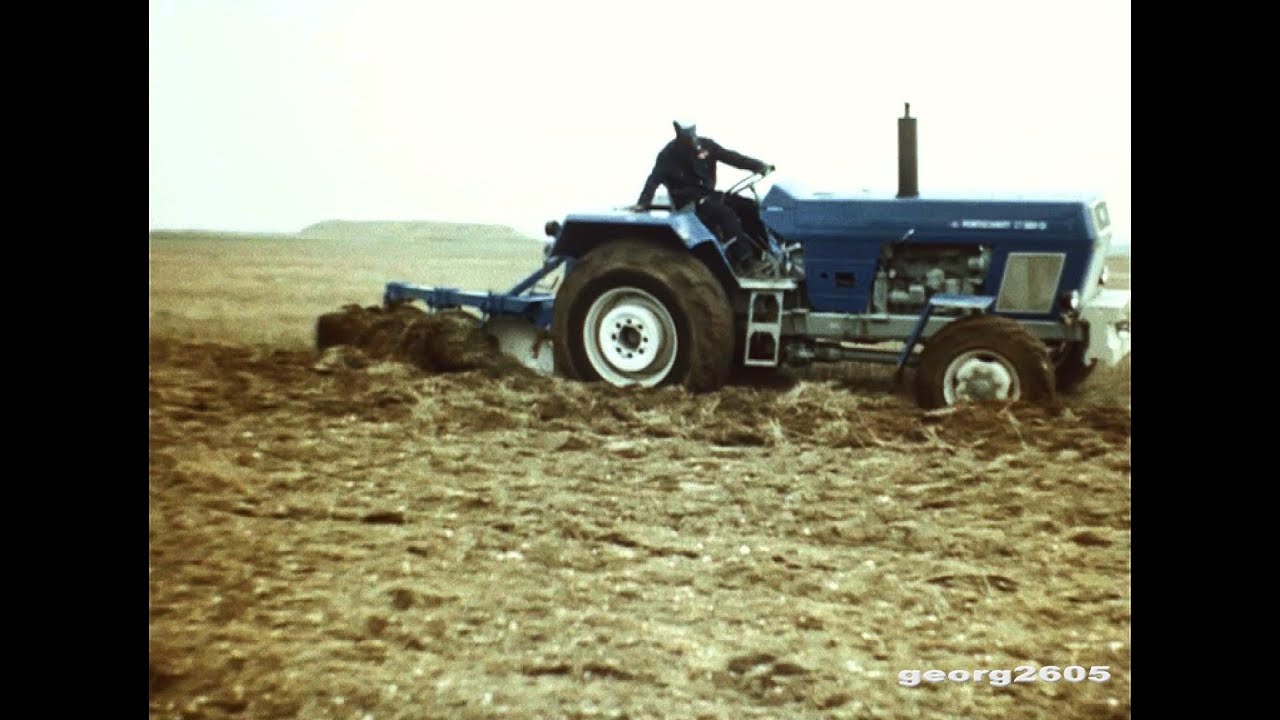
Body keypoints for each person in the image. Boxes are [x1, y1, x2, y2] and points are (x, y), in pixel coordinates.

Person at [631, 120, 775, 269]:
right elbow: (653, 180)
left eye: (692, 130)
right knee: (726, 214)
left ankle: (764, 255)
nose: (691, 135)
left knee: (749, 206)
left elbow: (732, 157)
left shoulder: (706, 145)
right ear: (677, 130)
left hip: (710, 195)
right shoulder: (668, 154)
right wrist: (643, 203)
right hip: (689, 202)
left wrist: (758, 166)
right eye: (686, 132)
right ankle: (745, 260)